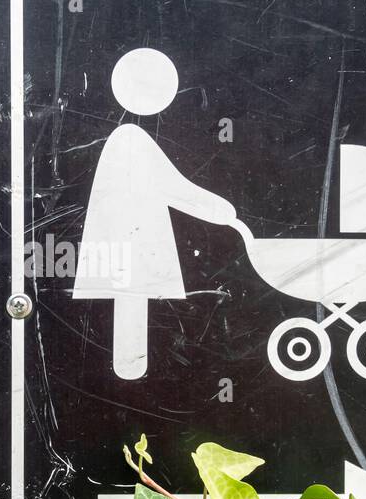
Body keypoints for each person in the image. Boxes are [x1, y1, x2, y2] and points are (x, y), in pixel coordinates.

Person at [73, 48, 242, 379]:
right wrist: (221, 210)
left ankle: (130, 368)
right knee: (132, 295)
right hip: (132, 240)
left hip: (126, 240)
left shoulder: (125, 137)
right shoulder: (131, 138)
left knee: (131, 296)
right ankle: (129, 369)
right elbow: (174, 188)